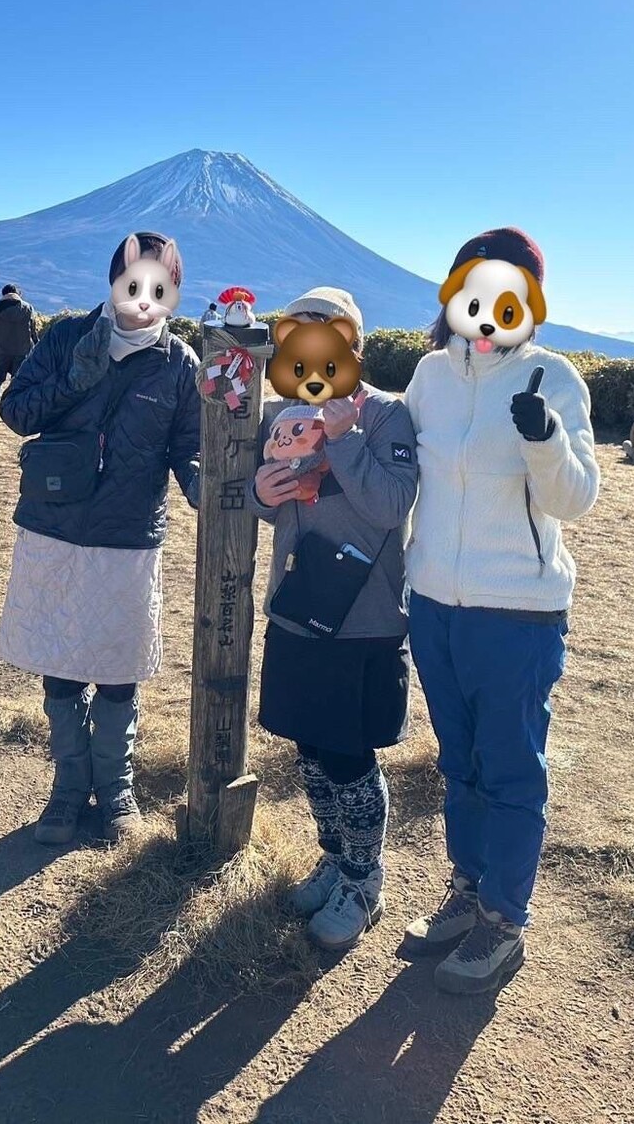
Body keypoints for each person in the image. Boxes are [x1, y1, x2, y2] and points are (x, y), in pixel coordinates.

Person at [403, 228, 600, 994]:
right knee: (460, 763)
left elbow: (574, 498)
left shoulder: (554, 376)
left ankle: (503, 921)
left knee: (511, 769)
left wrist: (545, 439)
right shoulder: (428, 374)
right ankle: (467, 890)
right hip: (434, 606)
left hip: (516, 610)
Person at [0, 233, 200, 846]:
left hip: (126, 536)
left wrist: (209, 489)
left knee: (116, 671)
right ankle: (65, 793)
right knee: (59, 666)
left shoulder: (178, 364)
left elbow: (187, 450)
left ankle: (114, 792)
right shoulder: (65, 338)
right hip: (54, 528)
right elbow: (17, 413)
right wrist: (76, 380)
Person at [248, 287, 418, 951]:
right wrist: (262, 495)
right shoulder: (281, 414)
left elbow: (389, 505)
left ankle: (363, 879)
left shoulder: (384, 415)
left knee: (349, 754)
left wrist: (343, 438)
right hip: (297, 607)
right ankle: (332, 856)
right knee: (310, 750)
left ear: (354, 342)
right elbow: (277, 506)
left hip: (363, 617)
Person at [0, 284, 38, 419]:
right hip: (23, 350)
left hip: (3, 350)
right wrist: (37, 347)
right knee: (18, 380)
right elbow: (33, 331)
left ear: (3, 294)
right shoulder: (28, 308)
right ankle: (15, 408)